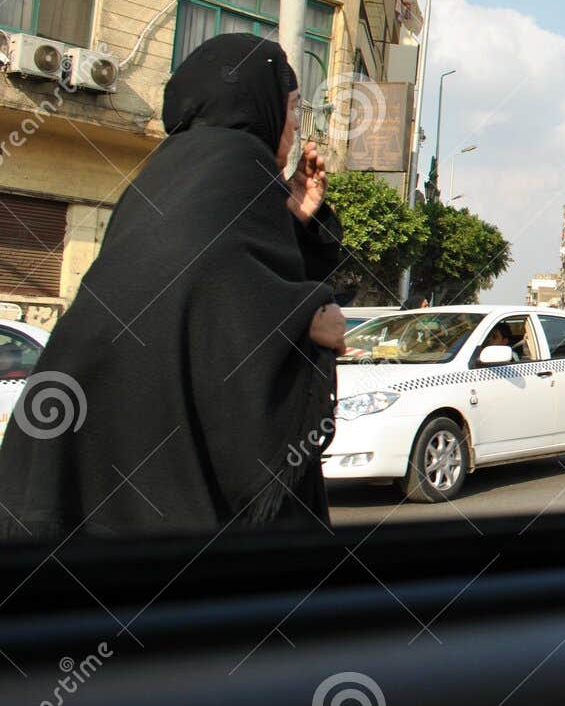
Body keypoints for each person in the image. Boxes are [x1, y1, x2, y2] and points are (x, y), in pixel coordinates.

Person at [0, 34, 346, 540]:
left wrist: (293, 218)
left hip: (96, 440)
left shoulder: (167, 171)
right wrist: (311, 315)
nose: (296, 125)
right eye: (293, 108)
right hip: (176, 482)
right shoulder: (240, 163)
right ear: (260, 103)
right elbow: (224, 298)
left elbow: (196, 284)